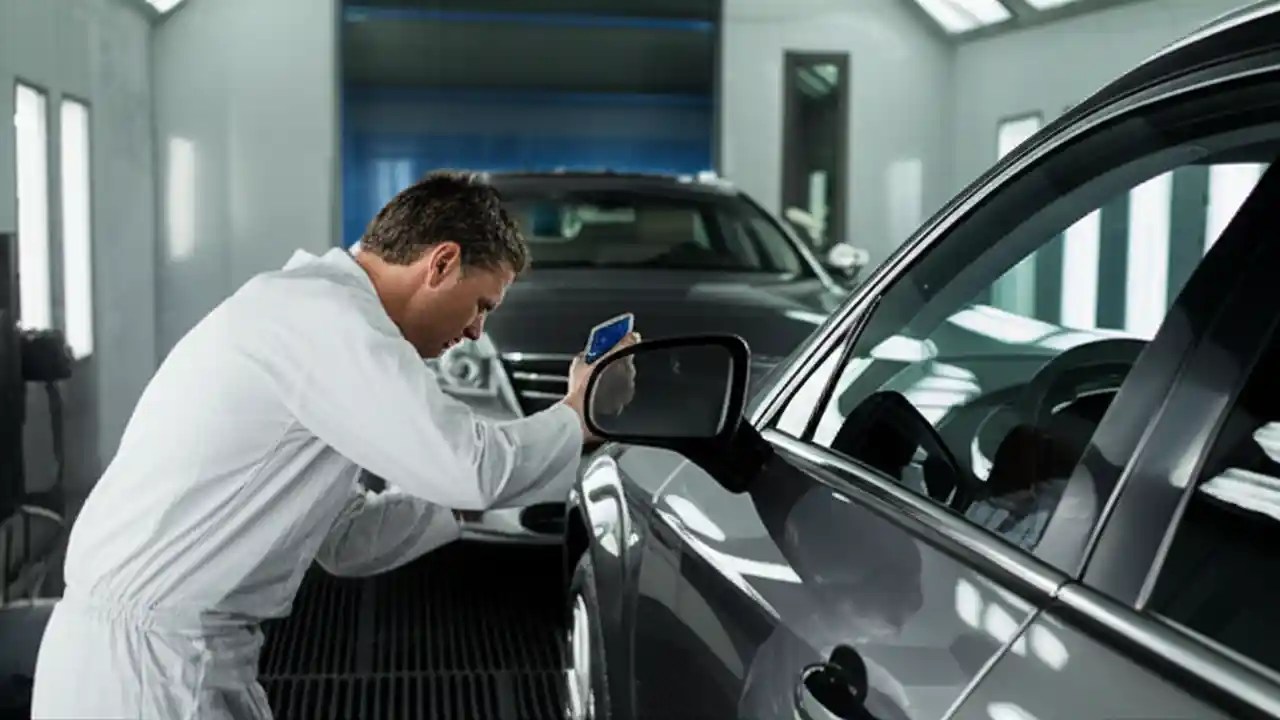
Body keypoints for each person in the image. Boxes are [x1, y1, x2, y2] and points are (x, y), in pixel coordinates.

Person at [29, 170, 638, 719]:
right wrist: (576, 416)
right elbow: (469, 465)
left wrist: (455, 504)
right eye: (482, 304)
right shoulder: (327, 319)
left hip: (167, 656)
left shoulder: (309, 313)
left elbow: (341, 538)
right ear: (441, 262)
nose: (478, 331)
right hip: (149, 672)